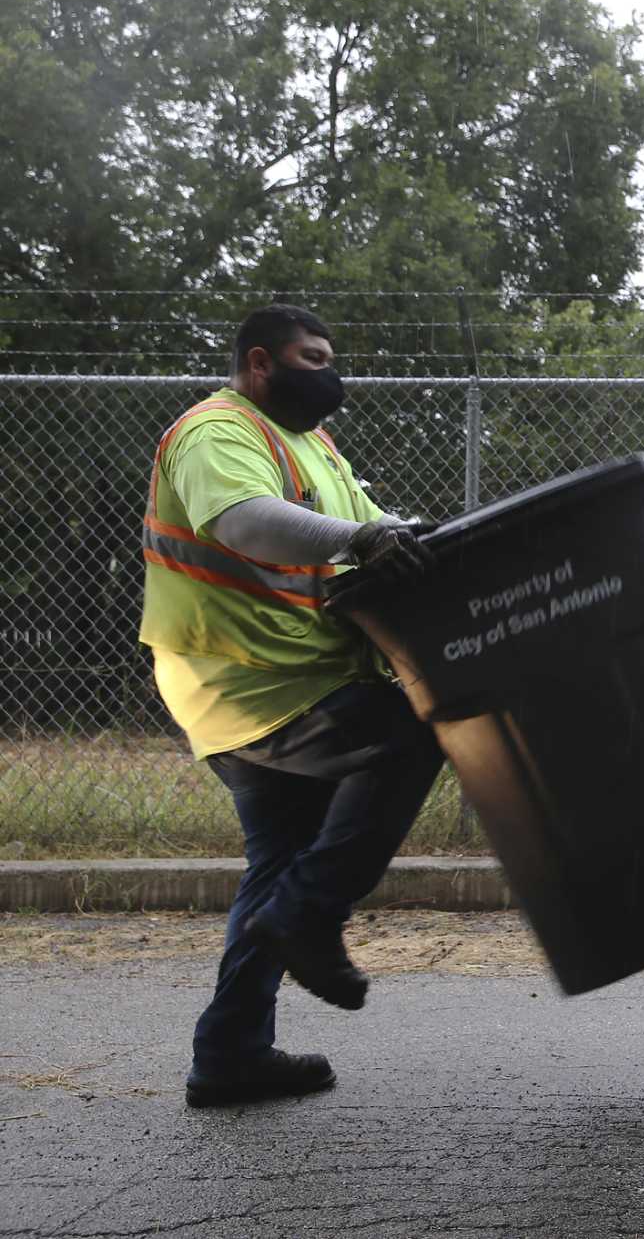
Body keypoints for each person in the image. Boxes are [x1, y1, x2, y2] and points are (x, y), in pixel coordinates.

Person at [140, 303, 440, 1108]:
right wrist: (361, 539)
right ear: (261, 362)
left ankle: (231, 1054)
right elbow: (248, 523)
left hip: (286, 675)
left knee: (278, 862)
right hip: (248, 679)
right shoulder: (217, 430)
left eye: (331, 355)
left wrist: (401, 534)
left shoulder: (312, 442)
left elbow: (368, 525)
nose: (327, 370)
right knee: (411, 729)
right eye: (311, 355)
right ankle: (314, 915)